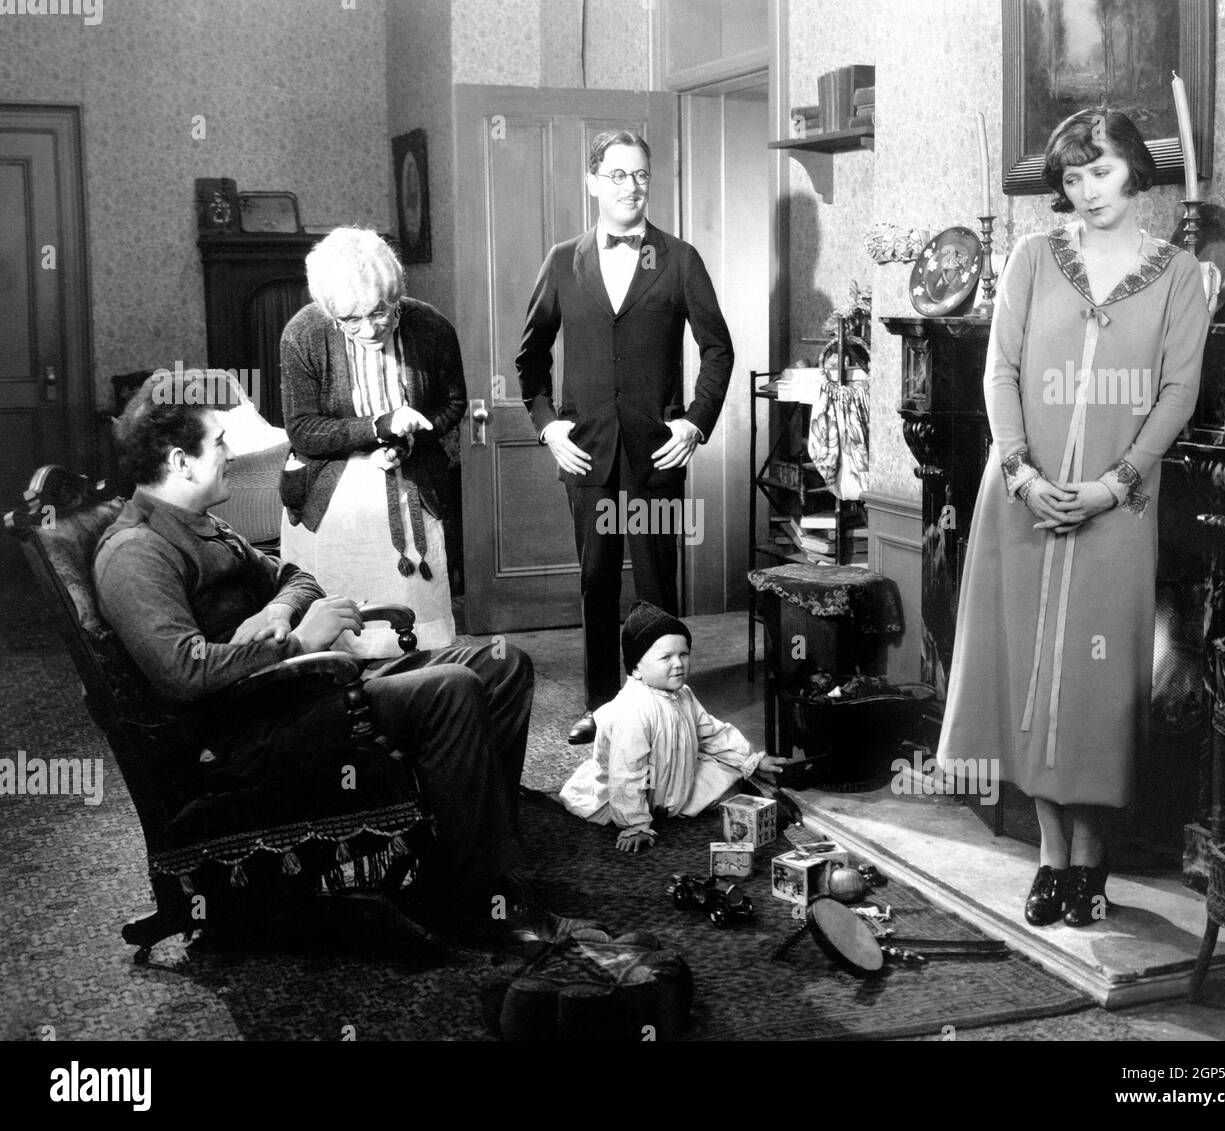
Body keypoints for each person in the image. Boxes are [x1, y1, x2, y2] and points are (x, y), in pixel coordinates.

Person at [95, 376, 534, 938]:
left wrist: (279, 613)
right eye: (220, 443)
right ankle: (478, 898)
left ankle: (458, 862)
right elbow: (183, 673)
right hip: (252, 731)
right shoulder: (136, 553)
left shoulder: (202, 524)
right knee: (451, 688)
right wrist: (302, 641)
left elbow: (297, 577)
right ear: (181, 461)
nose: (232, 454)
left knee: (504, 664)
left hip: (297, 689)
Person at [935, 108, 1209, 928]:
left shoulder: (1179, 274)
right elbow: (1000, 370)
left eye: (1102, 169)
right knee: (1027, 676)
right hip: (1021, 497)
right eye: (1073, 177)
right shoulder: (1030, 259)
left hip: (1115, 509)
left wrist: (1116, 483)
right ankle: (1051, 856)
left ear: (1135, 169)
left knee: (1093, 685)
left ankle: (1092, 863)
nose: (1087, 190)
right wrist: (1019, 470)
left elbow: (1178, 394)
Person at [516, 130, 734, 745]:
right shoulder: (563, 260)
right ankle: (603, 710)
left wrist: (694, 421)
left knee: (658, 587)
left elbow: (718, 350)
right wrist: (548, 424)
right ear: (593, 183)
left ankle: (669, 714)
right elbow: (530, 360)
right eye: (617, 175)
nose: (631, 186)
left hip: (655, 455)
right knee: (597, 583)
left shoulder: (680, 258)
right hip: (587, 455)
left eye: (640, 174)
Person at [279, 227, 464, 658]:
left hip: (413, 496)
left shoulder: (432, 327)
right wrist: (380, 427)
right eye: (350, 319)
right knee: (341, 638)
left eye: (380, 312)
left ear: (395, 294)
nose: (368, 328)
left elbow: (452, 403)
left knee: (417, 633)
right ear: (329, 312)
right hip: (334, 508)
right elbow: (303, 429)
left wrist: (412, 436)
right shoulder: (303, 334)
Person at [558, 602, 788, 852]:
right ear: (636, 668)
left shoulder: (683, 694)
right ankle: (636, 819)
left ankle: (751, 791)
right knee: (628, 794)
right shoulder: (633, 709)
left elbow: (711, 732)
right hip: (639, 789)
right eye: (666, 657)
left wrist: (752, 759)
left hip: (677, 777)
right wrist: (634, 824)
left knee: (726, 779)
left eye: (684, 654)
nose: (678, 663)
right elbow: (627, 772)